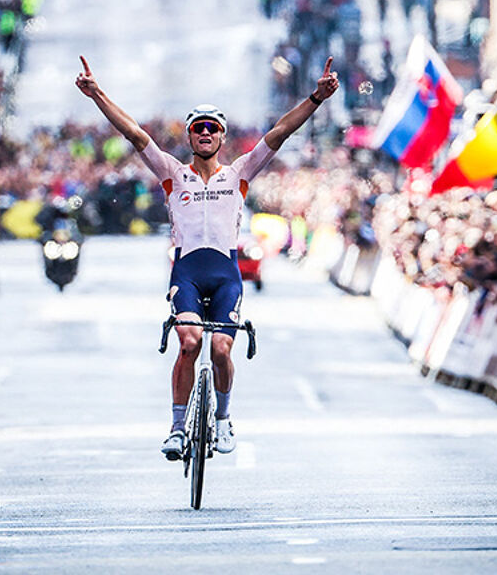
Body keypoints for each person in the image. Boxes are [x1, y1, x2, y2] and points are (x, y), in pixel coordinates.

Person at [74, 54, 339, 460]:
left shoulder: (239, 174)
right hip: (188, 273)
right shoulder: (172, 173)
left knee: (220, 349)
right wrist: (98, 96)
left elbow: (281, 131)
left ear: (221, 137)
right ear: (190, 137)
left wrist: (316, 99)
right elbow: (134, 134)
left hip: (225, 275)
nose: (204, 134)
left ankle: (224, 420)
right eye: (197, 129)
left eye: (212, 129)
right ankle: (178, 429)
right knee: (189, 341)